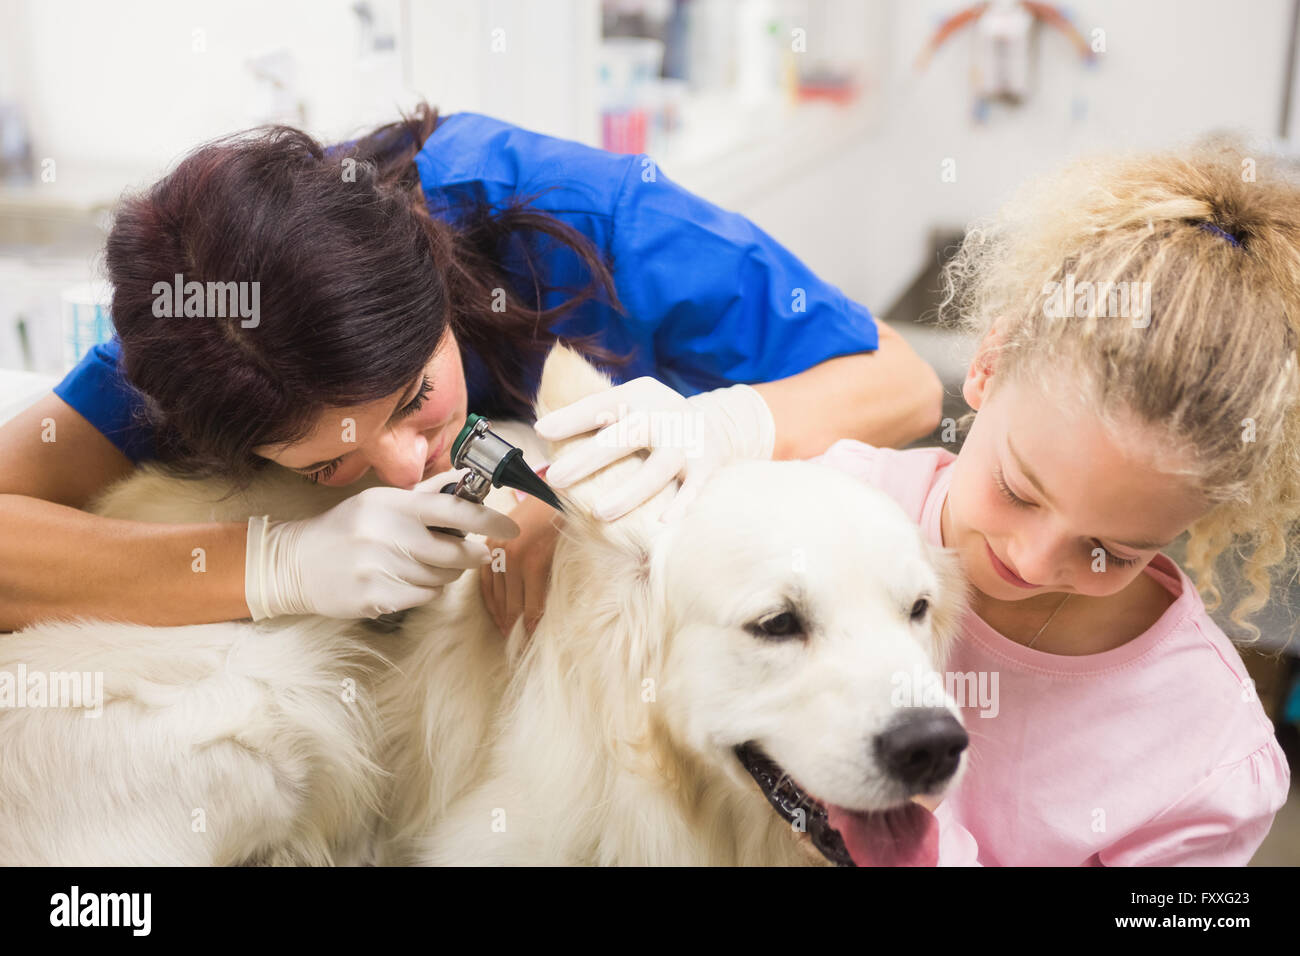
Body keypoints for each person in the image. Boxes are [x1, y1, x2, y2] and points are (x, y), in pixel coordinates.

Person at [0, 104, 943, 635]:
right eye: (330, 463)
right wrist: (273, 567)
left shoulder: (574, 212)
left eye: (415, 400)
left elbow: (904, 385)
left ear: (439, 276)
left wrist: (710, 434)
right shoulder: (206, 330)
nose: (408, 467)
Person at [805, 138, 1296, 864]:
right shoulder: (822, 510)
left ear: (1201, 516)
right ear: (986, 365)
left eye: (1114, 552)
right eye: (1018, 489)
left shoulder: (1206, 758)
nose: (1030, 560)